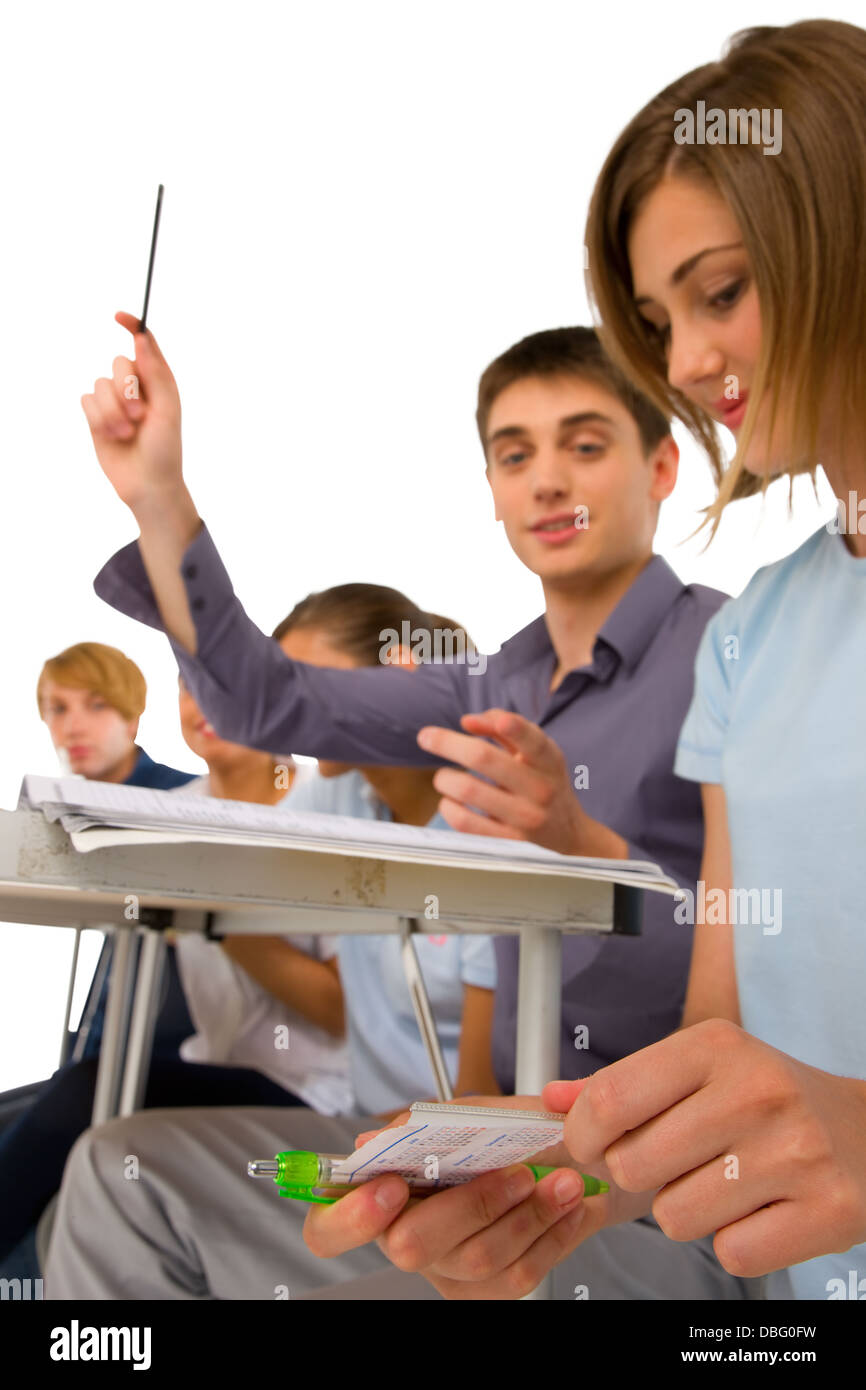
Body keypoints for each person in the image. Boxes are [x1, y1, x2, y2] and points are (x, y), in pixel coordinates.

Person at [299, 18, 866, 1301]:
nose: (684, 365)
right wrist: (546, 1166)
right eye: (661, 320)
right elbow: (724, 1037)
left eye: (720, 292)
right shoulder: (754, 639)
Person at [42, 324, 751, 1302]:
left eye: (583, 444)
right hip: (485, 1147)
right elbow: (269, 702)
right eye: (513, 454)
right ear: (494, 490)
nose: (545, 480)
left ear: (661, 463)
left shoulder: (738, 653)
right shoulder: (489, 684)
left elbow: (776, 957)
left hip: (649, 1186)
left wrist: (586, 854)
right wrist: (158, 493)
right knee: (122, 1174)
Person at [45, 591, 499, 1298]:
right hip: (361, 1126)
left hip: (421, 1141)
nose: (288, 714)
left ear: (402, 673)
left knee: (106, 1138)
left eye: (307, 687)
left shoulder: (486, 826)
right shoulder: (343, 797)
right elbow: (223, 842)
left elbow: (479, 1096)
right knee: (107, 1151)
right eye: (282, 691)